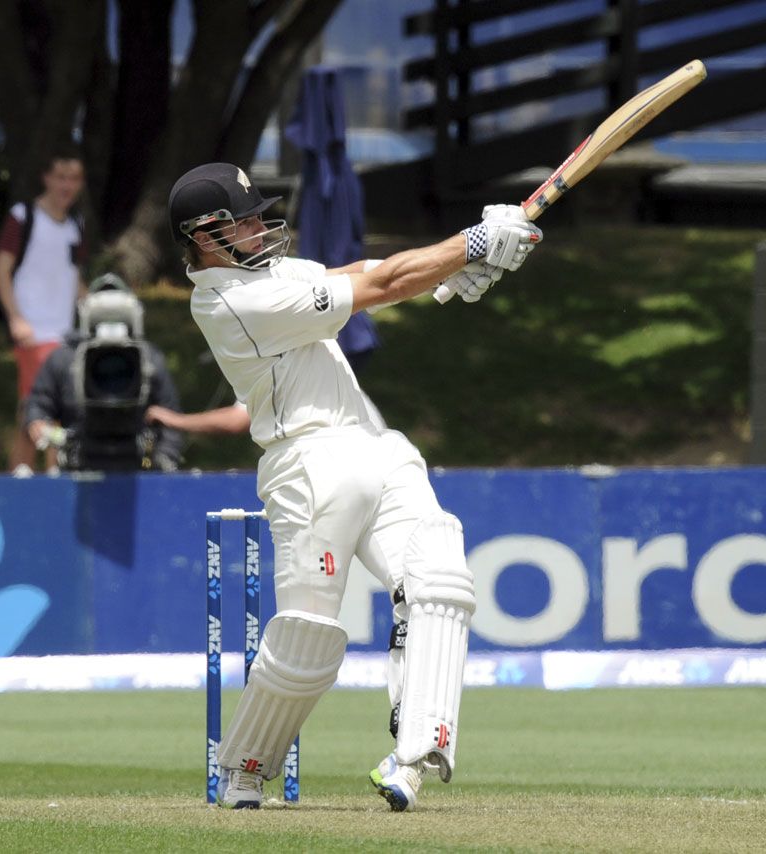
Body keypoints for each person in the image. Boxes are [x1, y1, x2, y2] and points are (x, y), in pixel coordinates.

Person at [167, 162, 541, 811]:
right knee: (310, 634)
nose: (261, 228)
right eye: (244, 221)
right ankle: (244, 769)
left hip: (375, 442)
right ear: (204, 235)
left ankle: (415, 755)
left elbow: (377, 270)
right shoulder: (232, 301)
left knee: (441, 580)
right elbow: (385, 284)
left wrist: (452, 267)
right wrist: (475, 243)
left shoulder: (278, 274)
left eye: (260, 214)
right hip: (307, 462)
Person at [24, 274, 184, 472]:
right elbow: (38, 405)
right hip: (78, 460)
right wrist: (41, 427)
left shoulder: (148, 359)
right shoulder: (64, 360)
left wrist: (165, 459)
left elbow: (171, 418)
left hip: (138, 463)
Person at [0, 147, 88, 472]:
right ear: (47, 178)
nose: (67, 185)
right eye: (61, 177)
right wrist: (16, 318)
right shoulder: (23, 217)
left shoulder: (76, 223)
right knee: (38, 414)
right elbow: (0, 270)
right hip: (34, 332)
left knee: (51, 413)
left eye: (73, 178)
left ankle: (41, 479)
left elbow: (73, 278)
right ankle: (29, 480)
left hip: (65, 336)